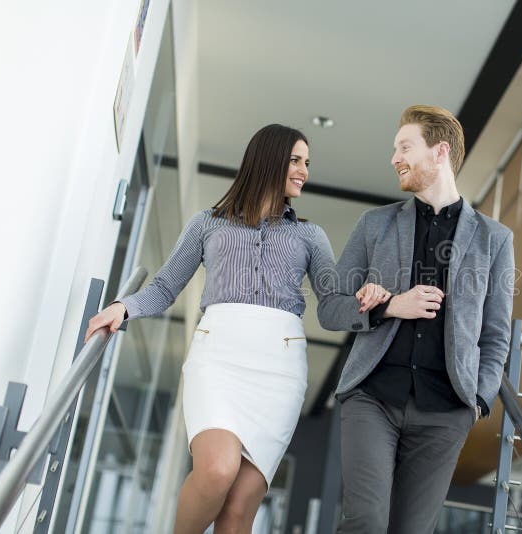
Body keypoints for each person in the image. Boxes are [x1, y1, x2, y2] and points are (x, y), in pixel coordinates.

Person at [84, 124, 389, 534]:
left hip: (279, 372)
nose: (304, 171)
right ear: (269, 160)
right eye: (296, 161)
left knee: (238, 512)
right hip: (218, 360)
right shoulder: (207, 224)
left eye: (306, 163)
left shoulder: (309, 235)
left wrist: (366, 299)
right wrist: (123, 308)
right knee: (216, 471)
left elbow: (333, 305)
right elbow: (164, 287)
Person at [317, 105, 515, 534]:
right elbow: (330, 307)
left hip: (446, 411)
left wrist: (479, 398)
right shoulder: (376, 225)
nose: (394, 158)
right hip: (372, 397)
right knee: (366, 521)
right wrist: (390, 306)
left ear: (439, 151)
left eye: (404, 147)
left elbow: (496, 333)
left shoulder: (494, 240)